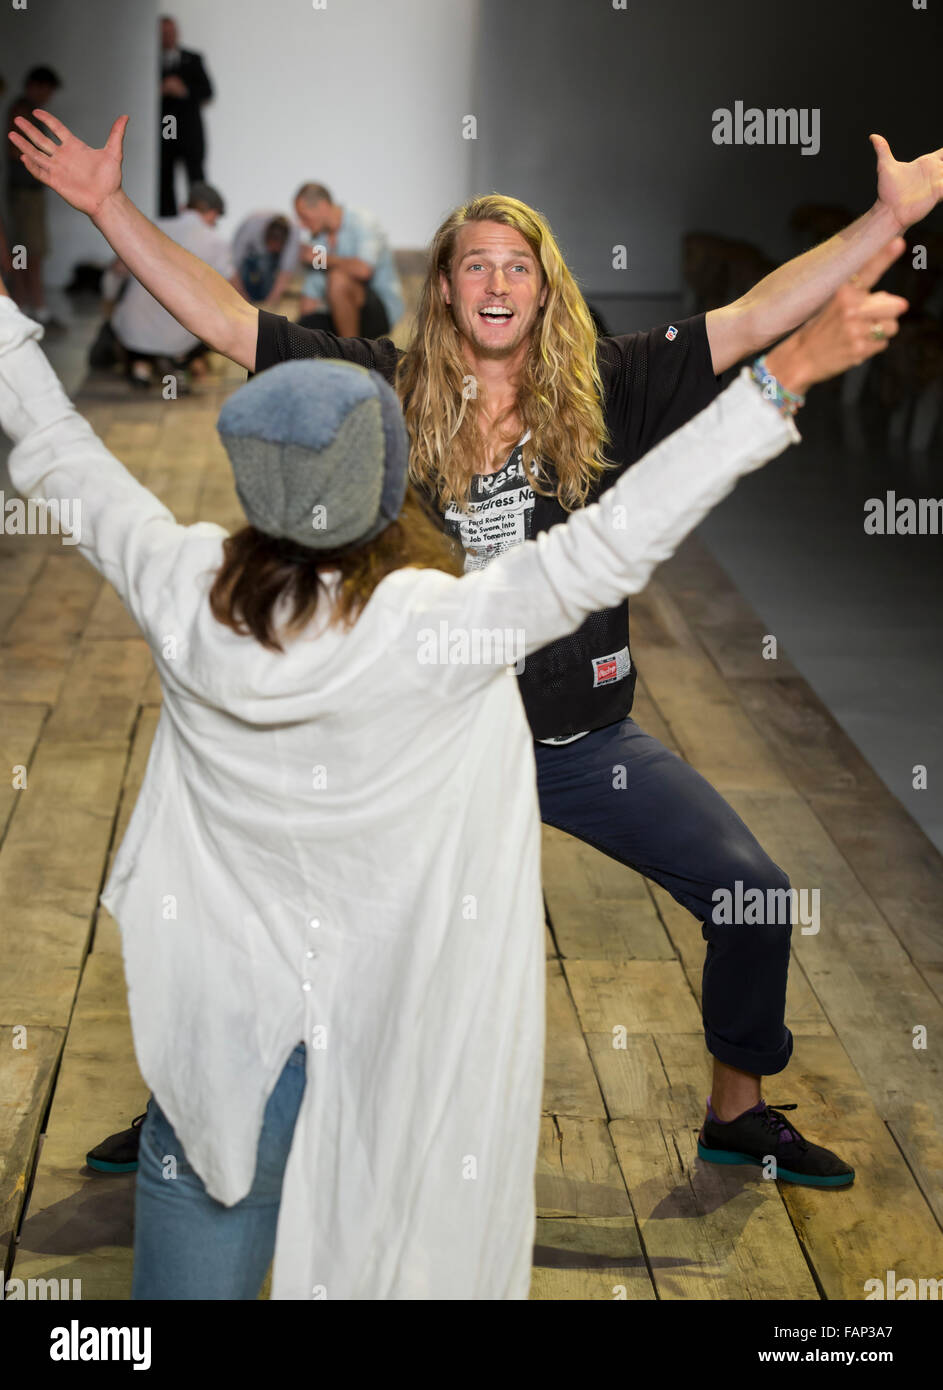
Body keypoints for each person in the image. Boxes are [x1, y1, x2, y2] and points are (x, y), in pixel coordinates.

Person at [10, 108, 936, 1187]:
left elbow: (759, 311)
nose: (496, 284)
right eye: (474, 265)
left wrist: (884, 223)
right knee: (279, 924)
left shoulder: (614, 383)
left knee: (755, 894)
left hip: (577, 739)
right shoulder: (381, 382)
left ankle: (738, 1111)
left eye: (517, 266)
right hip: (419, 741)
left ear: (543, 287)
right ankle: (190, 1110)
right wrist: (108, 206)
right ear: (444, 287)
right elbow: (225, 318)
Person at [106, 182, 230, 388]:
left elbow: (116, 270)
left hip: (133, 331)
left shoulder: (151, 226)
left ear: (184, 207)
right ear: (213, 213)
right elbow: (231, 294)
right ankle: (177, 362)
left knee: (134, 310)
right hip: (180, 333)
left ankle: (142, 366)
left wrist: (109, 307)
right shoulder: (216, 242)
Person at [294, 182, 404, 337]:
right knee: (302, 329)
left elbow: (364, 269)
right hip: (339, 313)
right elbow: (311, 295)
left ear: (323, 206)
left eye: (304, 217)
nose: (303, 225)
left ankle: (353, 353)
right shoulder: (318, 241)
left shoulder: (362, 221)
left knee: (338, 278)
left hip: (380, 311)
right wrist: (301, 328)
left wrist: (323, 259)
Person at [5, 66, 65, 331]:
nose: (48, 97)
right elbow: (15, 150)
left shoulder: (26, 110)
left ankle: (30, 308)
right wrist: (45, 161)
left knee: (29, 251)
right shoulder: (21, 111)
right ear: (37, 86)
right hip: (24, 193)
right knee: (28, 252)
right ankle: (33, 309)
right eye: (47, 90)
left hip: (29, 192)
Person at [159, 15, 213, 217]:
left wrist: (184, 90)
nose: (168, 37)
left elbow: (208, 91)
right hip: (168, 124)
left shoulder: (193, 59)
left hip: (189, 127)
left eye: (171, 33)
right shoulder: (152, 61)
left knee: (195, 175)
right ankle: (167, 217)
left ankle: (199, 215)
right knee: (165, 171)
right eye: (164, 34)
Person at [230, 210, 301, 308]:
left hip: (271, 265)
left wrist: (268, 307)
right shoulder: (250, 227)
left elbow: (286, 272)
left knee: (268, 270)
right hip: (249, 259)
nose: (272, 250)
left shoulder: (294, 234)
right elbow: (232, 266)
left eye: (277, 248)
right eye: (271, 246)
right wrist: (244, 302)